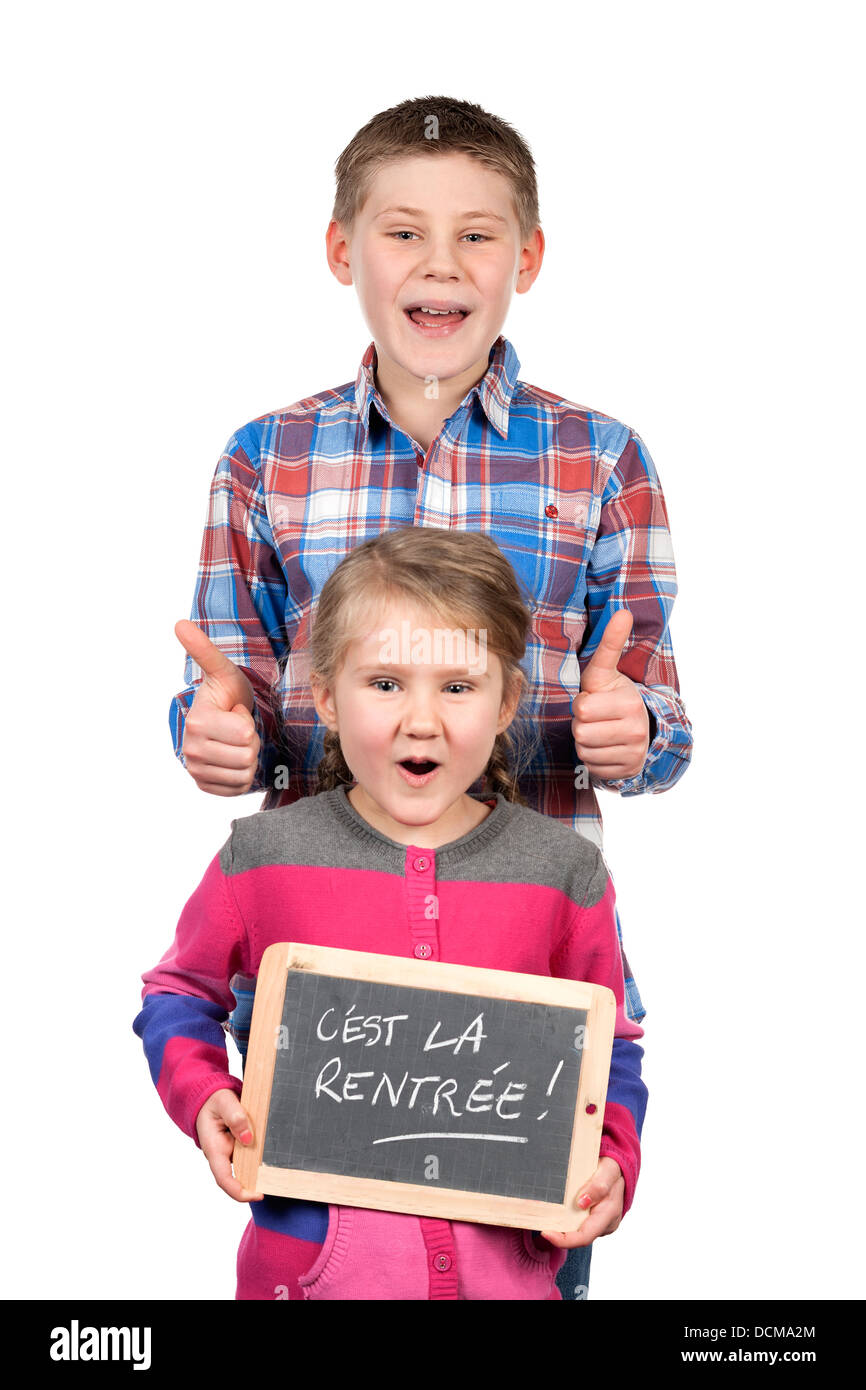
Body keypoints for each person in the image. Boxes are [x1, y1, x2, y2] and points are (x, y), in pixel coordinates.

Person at [168, 96, 692, 1298]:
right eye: (403, 233)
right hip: (330, 985)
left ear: (529, 258)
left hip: (526, 974)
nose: (440, 264)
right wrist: (210, 733)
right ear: (345, 249)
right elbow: (230, 700)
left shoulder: (599, 458)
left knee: (517, 1264)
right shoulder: (266, 458)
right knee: (326, 1257)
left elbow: (658, 712)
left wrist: (636, 732)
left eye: (477, 235)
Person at [136, 528, 648, 1301]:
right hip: (308, 1279)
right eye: (383, 684)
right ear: (324, 699)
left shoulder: (564, 872)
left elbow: (610, 1046)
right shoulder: (264, 856)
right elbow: (177, 993)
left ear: (506, 701)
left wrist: (613, 1159)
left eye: (457, 686)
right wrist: (204, 1092)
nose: (420, 720)